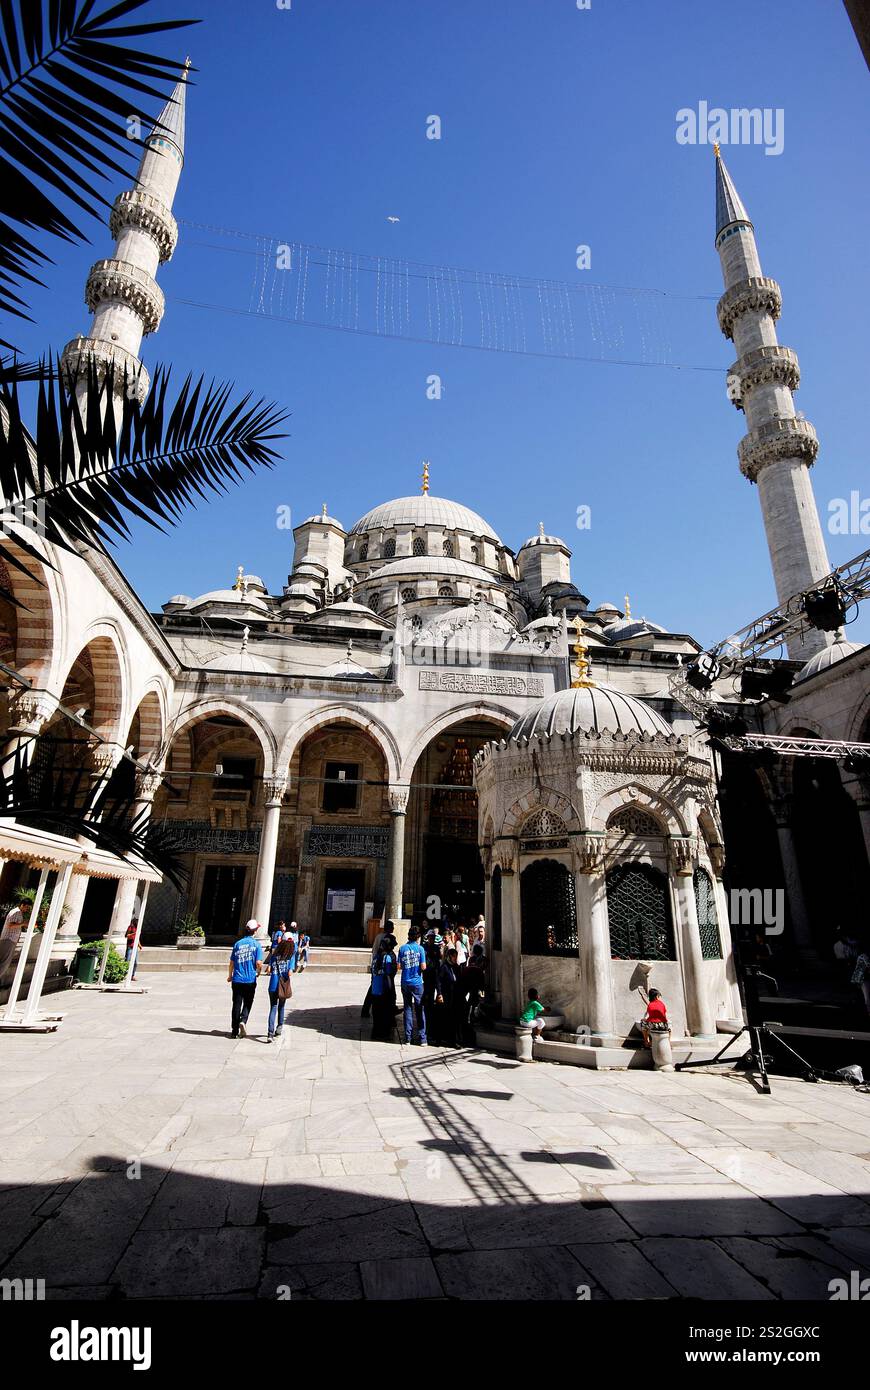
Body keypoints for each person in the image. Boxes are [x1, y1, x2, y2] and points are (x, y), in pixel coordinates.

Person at [227, 919, 264, 1038]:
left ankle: (234, 1031)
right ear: (255, 931)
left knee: (236, 1004)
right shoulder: (256, 945)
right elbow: (258, 963)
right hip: (250, 979)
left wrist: (230, 975)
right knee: (248, 1002)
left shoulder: (237, 944)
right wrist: (259, 971)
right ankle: (243, 1020)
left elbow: (232, 962)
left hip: (237, 979)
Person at [397, 925, 428, 1045]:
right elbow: (423, 967)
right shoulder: (420, 949)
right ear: (418, 937)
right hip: (417, 982)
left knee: (407, 1009)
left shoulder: (402, 948)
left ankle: (408, 1038)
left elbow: (399, 966)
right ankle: (422, 1039)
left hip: (405, 981)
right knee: (420, 1010)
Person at [266, 936, 295, 1041]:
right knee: (281, 1007)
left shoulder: (274, 956)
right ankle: (279, 1027)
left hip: (273, 985)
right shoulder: (290, 957)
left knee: (273, 1007)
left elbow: (268, 970)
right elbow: (290, 973)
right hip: (282, 986)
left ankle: (270, 1033)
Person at [370, 933, 398, 1040]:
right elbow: (389, 974)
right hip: (384, 988)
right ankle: (384, 1034)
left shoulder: (376, 957)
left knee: (376, 1013)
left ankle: (375, 1033)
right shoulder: (388, 958)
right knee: (384, 1012)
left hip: (375, 989)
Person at [361, 920, 390, 1018]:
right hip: (380, 966)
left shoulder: (378, 936)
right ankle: (371, 1010)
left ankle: (366, 1009)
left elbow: (373, 950)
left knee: (374, 987)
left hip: (376, 964)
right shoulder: (386, 938)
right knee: (376, 988)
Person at [434, 948, 462, 1046]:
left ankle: (453, 1040)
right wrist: (439, 994)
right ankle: (440, 1039)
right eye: (453, 956)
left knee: (453, 1019)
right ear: (449, 957)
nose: (455, 958)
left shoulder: (457, 968)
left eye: (456, 956)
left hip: (454, 997)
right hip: (446, 996)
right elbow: (439, 982)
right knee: (443, 1017)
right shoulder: (444, 967)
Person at [0, 895, 31, 978]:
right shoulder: (15, 912)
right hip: (8, 939)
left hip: (10, 940)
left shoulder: (18, 913)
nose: (27, 909)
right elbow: (10, 925)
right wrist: (23, 923)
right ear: (22, 905)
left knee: (4, 962)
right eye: (27, 907)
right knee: (4, 962)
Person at [851, 945, 870, 1019]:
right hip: (865, 980)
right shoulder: (863, 957)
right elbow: (859, 970)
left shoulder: (862, 956)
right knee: (867, 998)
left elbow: (858, 970)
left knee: (867, 998)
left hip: (865, 980)